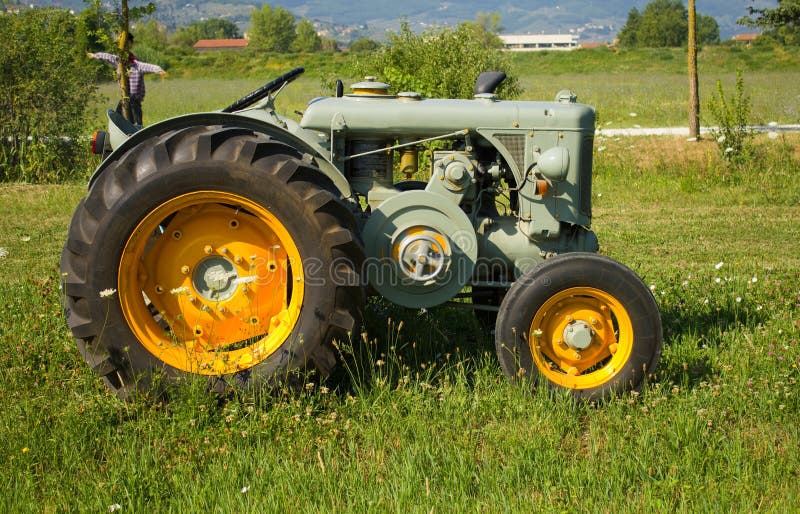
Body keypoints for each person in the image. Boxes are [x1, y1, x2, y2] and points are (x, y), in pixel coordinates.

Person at [88, 35, 167, 126]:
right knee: (117, 120)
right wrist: (94, 55)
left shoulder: (137, 66)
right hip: (124, 99)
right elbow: (107, 56)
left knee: (136, 124)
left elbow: (151, 67)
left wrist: (160, 71)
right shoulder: (118, 62)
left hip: (135, 101)